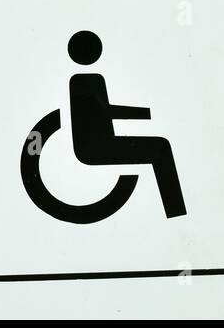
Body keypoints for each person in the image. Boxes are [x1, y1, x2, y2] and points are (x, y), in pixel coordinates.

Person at [66, 30, 186, 218]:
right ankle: (176, 212)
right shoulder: (81, 82)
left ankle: (176, 212)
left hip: (103, 143)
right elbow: (101, 112)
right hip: (93, 148)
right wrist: (144, 113)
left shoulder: (93, 80)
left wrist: (142, 113)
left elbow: (103, 111)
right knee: (160, 147)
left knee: (160, 146)